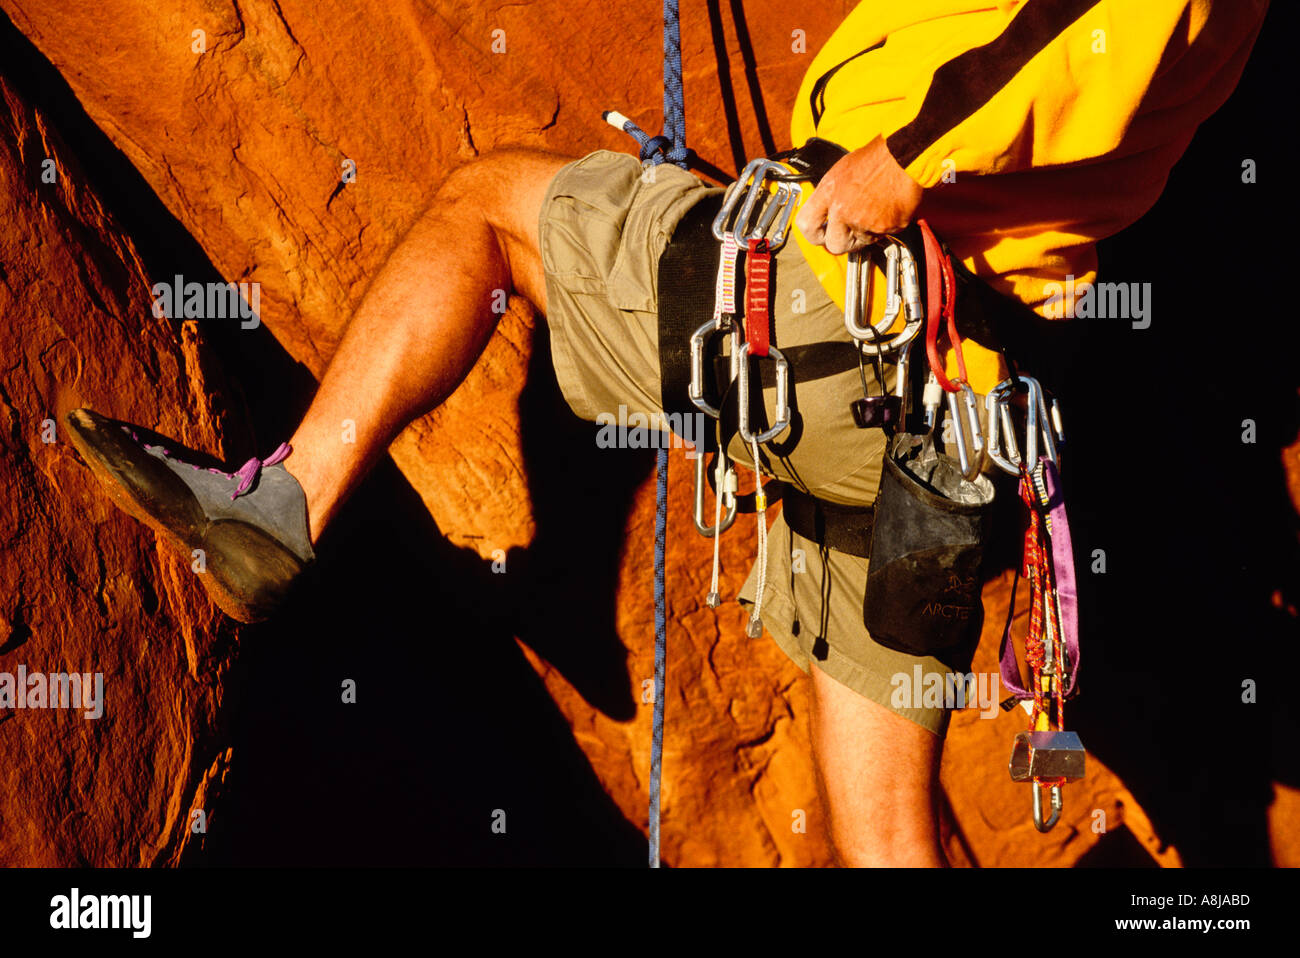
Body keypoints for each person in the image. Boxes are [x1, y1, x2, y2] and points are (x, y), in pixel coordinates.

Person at [65, 0, 1267, 866]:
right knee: (887, 839)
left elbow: (1083, 33)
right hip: (951, 425)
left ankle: (285, 508)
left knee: (490, 207)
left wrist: (904, 159)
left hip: (841, 305)